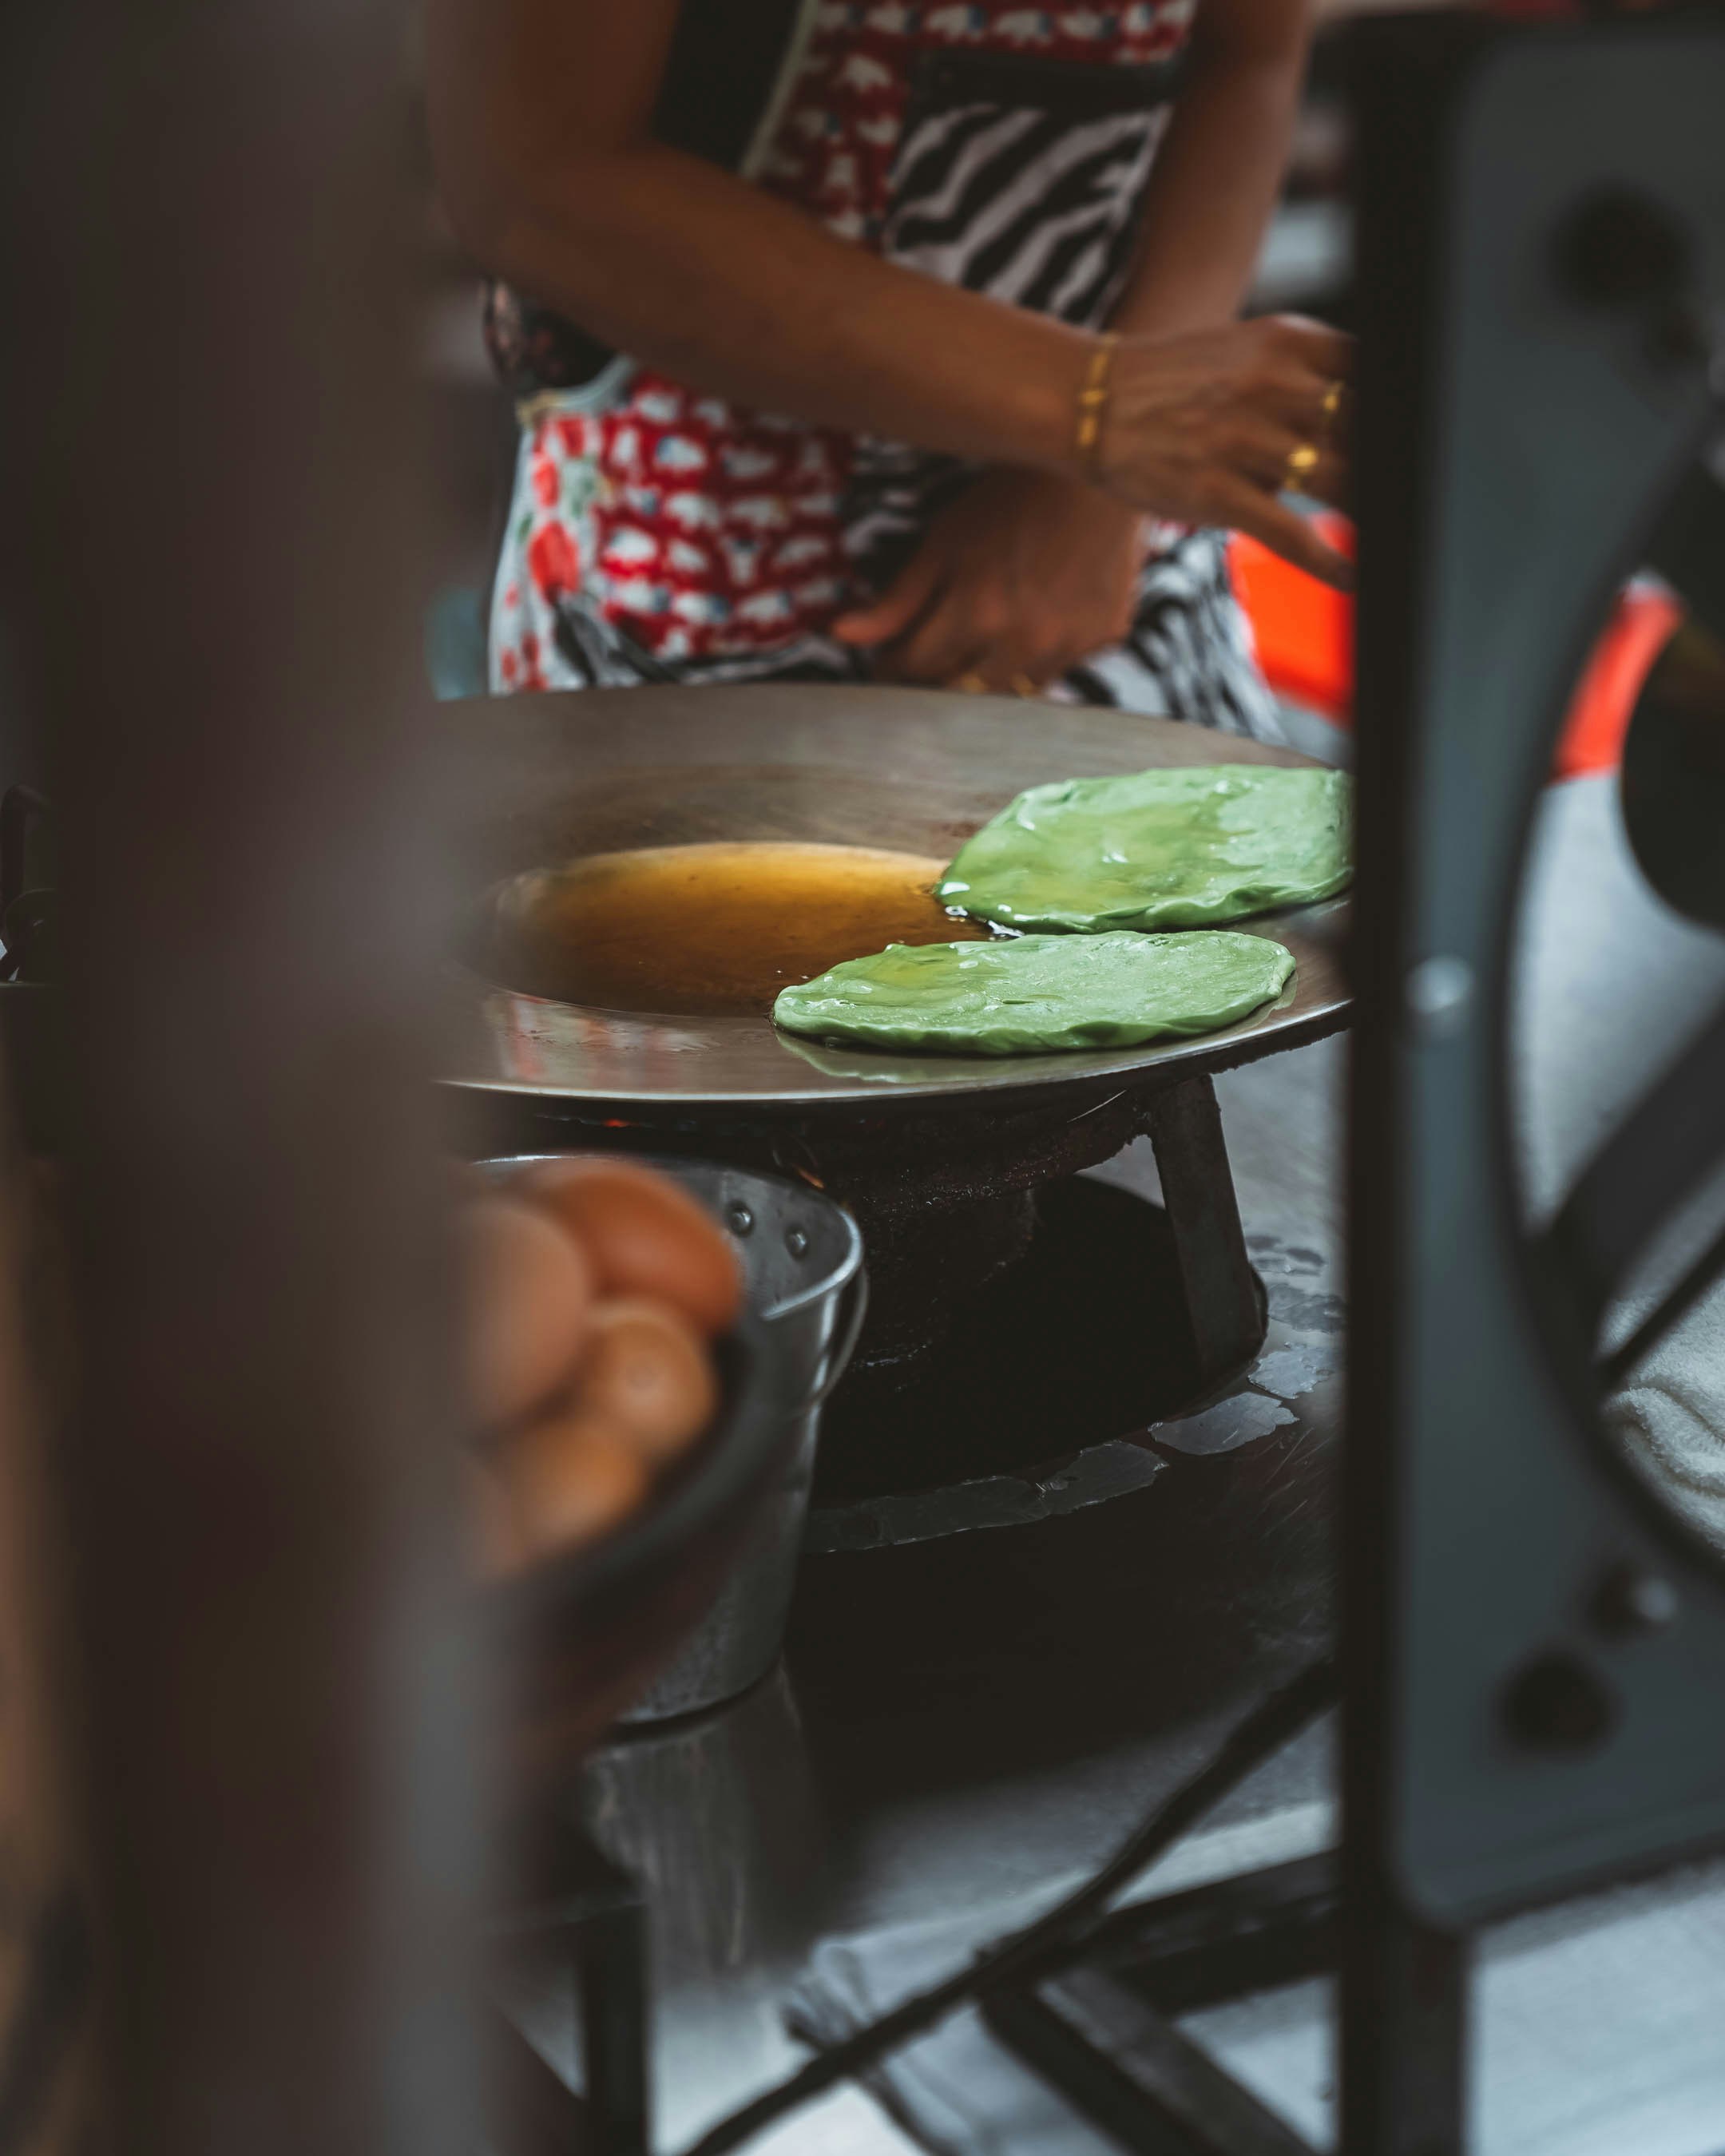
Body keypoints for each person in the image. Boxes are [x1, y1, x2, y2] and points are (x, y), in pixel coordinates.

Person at [426, 0, 1350, 735]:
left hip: (1107, 582)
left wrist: (1104, 489)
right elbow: (536, 180)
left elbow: (1249, 59)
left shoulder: (1115, 461)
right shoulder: (1105, 414)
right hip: (694, 608)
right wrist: (1093, 412)